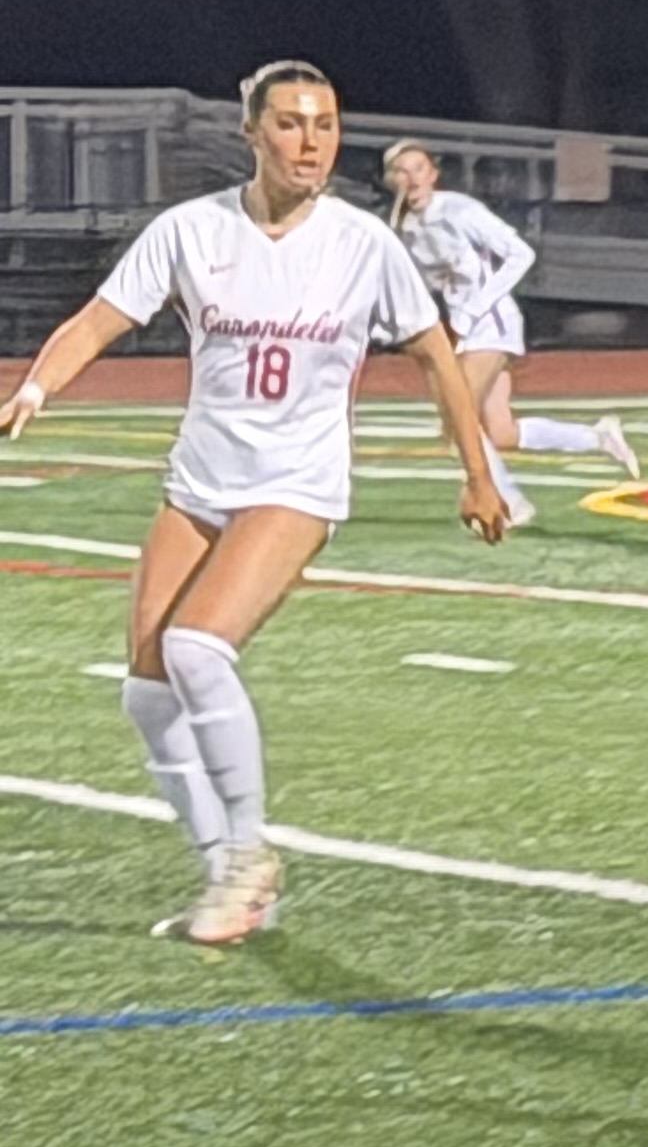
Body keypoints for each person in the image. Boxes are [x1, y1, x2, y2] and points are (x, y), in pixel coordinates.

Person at [3, 62, 513, 944]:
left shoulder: (363, 243)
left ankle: (248, 855)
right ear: (252, 133)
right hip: (200, 479)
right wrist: (37, 390)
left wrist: (478, 472)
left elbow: (436, 353)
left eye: (325, 125)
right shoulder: (192, 231)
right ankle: (225, 873)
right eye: (289, 124)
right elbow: (96, 320)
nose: (311, 142)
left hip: (296, 483)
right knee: (147, 696)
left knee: (198, 648)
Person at [379, 141, 638, 531]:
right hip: (467, 329)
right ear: (389, 180)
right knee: (499, 431)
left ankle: (509, 503)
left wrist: (476, 306)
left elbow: (521, 254)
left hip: (493, 323)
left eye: (418, 168)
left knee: (457, 416)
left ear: (433, 174)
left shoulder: (460, 211)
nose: (411, 178)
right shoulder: (404, 227)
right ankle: (597, 437)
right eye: (401, 170)